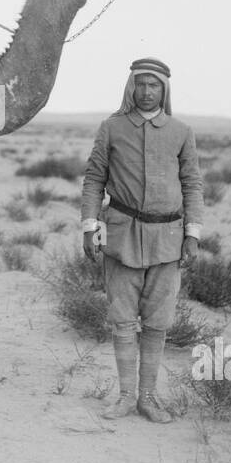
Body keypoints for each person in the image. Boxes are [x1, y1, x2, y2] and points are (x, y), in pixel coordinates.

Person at [80, 58, 203, 422]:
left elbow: (193, 184)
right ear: (130, 87)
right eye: (141, 84)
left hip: (168, 239)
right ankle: (125, 397)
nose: (147, 92)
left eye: (154, 86)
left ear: (164, 91)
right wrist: (89, 226)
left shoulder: (181, 131)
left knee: (157, 322)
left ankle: (148, 398)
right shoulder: (112, 128)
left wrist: (192, 235)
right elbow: (93, 179)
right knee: (121, 320)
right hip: (121, 236)